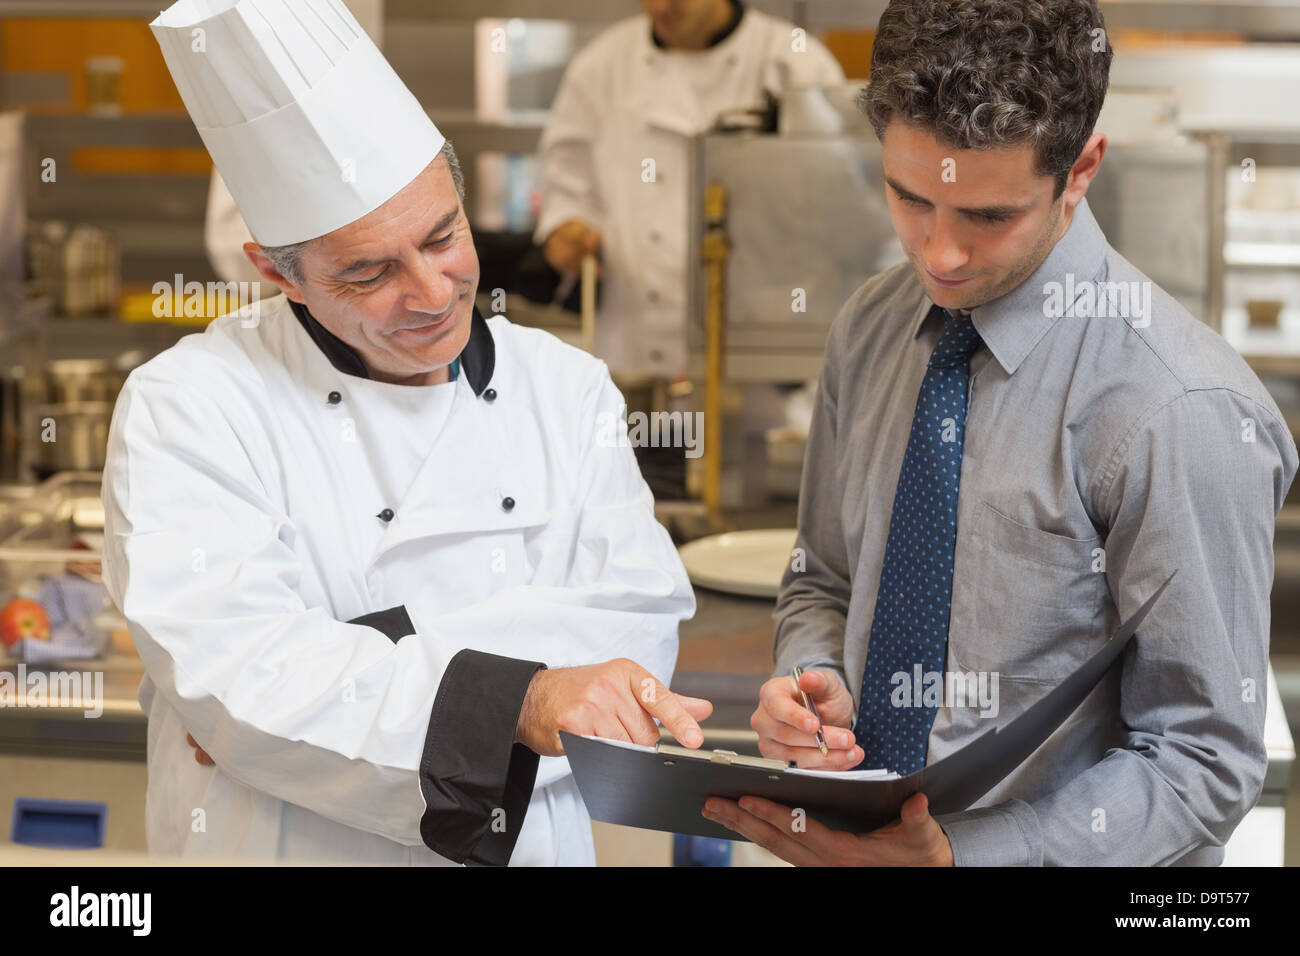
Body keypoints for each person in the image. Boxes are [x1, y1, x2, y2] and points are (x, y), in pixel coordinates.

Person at [103, 0, 709, 867]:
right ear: (281, 274)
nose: (430, 293)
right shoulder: (189, 406)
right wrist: (521, 700)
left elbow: (637, 637)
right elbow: (238, 682)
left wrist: (352, 651)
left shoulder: (568, 391)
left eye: (443, 236)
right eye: (370, 270)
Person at [702, 0, 1298, 865]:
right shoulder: (870, 328)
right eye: (909, 198)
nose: (939, 255)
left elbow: (1203, 758)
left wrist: (961, 859)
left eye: (988, 217)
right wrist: (815, 679)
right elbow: (822, 577)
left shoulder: (1179, 408)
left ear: (1081, 167)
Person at [534, 0, 844, 378]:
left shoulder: (795, 63)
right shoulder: (600, 66)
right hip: (632, 348)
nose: (659, 6)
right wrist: (565, 233)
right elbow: (567, 189)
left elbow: (842, 210)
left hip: (759, 363)